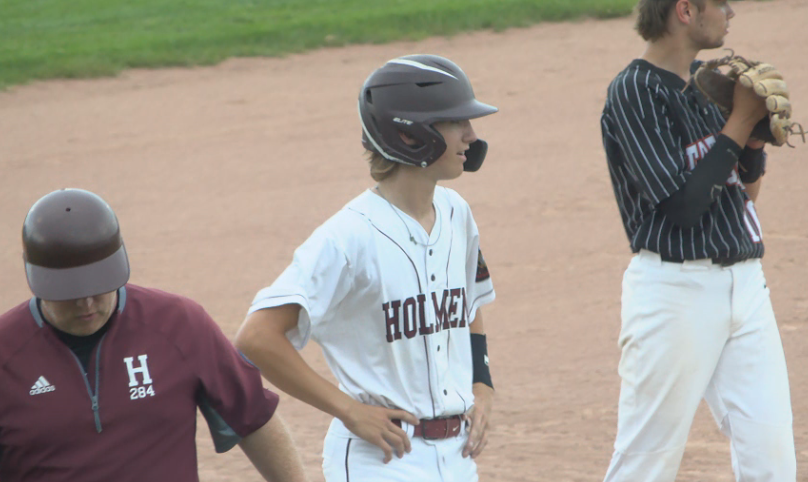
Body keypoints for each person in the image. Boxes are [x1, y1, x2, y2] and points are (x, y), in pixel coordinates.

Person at [235, 54, 498, 482]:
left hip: (457, 457)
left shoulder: (457, 214)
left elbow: (469, 306)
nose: (471, 135)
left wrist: (482, 385)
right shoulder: (347, 238)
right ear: (411, 135)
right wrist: (348, 410)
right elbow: (257, 337)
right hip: (380, 461)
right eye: (456, 123)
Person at [599, 1, 795, 481]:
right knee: (646, 460)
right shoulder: (635, 91)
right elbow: (682, 210)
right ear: (685, 10)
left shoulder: (709, 86)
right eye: (721, 4)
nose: (731, 12)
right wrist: (738, 122)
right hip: (675, 293)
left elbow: (743, 193)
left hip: (746, 286)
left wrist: (750, 142)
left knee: (772, 457)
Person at [0, 188, 308, 482]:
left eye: (99, 285)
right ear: (35, 277)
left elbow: (254, 418)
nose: (86, 303)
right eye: (69, 292)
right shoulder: (6, 352)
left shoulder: (179, 325)